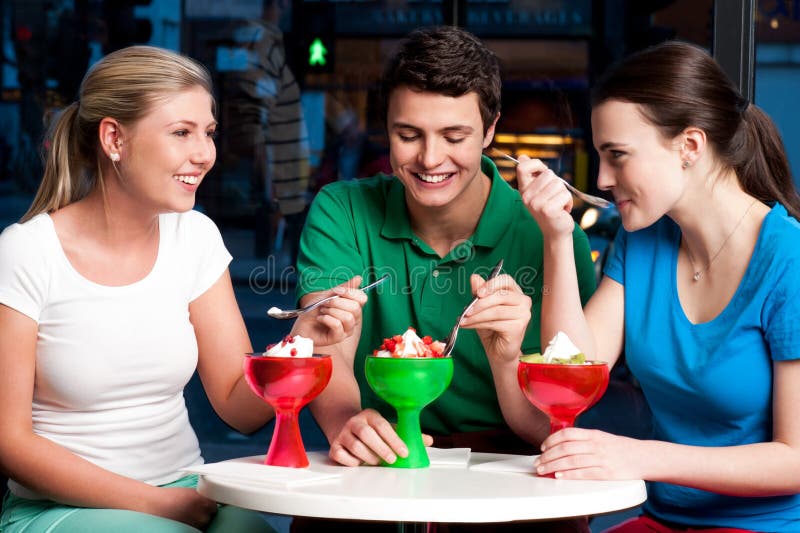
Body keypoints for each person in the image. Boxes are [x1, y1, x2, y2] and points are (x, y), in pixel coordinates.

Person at [0, 45, 365, 533]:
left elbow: (238, 406)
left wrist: (302, 341)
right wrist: (156, 505)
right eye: (181, 133)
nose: (205, 154)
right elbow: (10, 442)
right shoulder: (27, 251)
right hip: (62, 507)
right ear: (114, 138)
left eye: (209, 133)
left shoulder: (193, 235)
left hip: (186, 488)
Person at [294, 26, 597, 532]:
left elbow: (552, 424)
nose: (430, 159)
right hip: (378, 458)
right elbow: (328, 345)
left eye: (454, 137)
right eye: (408, 135)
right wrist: (346, 422)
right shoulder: (341, 210)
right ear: (386, 126)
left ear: (491, 129)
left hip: (511, 473)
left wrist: (507, 357)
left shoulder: (548, 234)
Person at [519, 41, 800, 531]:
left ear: (690, 146)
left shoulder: (788, 260)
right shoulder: (643, 240)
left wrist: (640, 457)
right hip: (663, 519)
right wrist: (558, 238)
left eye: (618, 156)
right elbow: (572, 371)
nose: (603, 178)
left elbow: (794, 459)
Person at [223, 0, 311, 262]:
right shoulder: (256, 37)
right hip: (264, 130)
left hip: (279, 130)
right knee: (271, 191)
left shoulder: (273, 41)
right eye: (280, 5)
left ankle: (279, 245)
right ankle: (273, 245)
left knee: (283, 194)